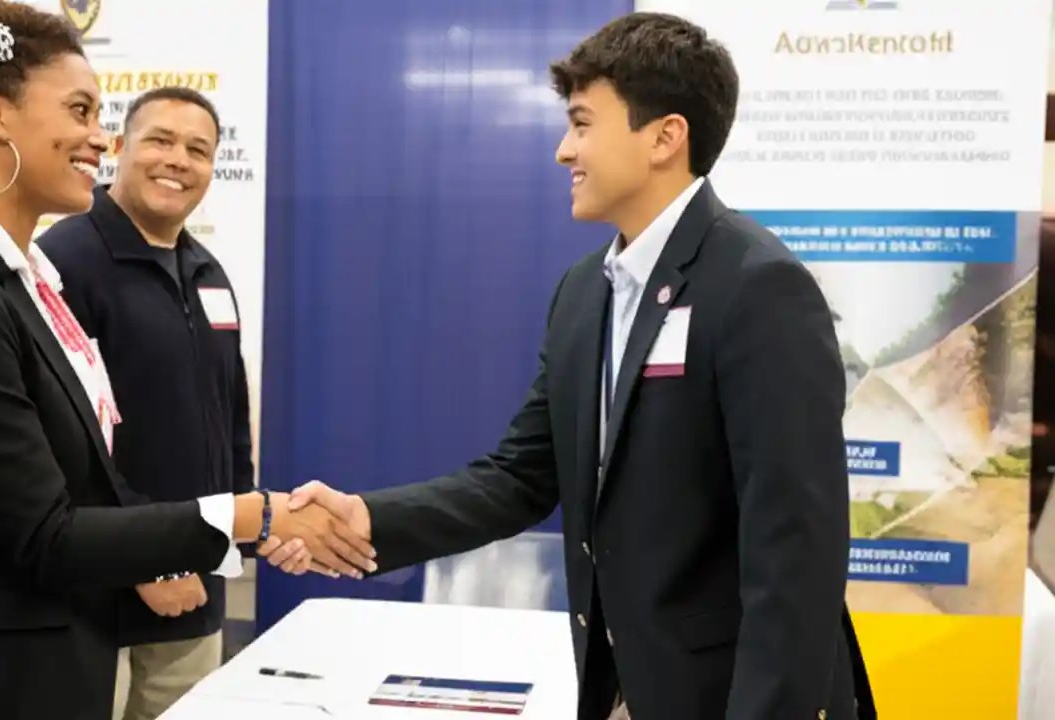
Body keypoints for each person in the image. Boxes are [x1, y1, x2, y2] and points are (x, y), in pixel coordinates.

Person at [288, 12, 875, 720]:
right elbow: (518, 477)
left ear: (666, 137)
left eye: (583, 124)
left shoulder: (758, 286)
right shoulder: (583, 292)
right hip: (624, 687)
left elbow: (796, 552)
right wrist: (366, 519)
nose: (564, 151)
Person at [0, 2, 375, 719]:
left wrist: (251, 522)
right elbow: (48, 533)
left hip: (45, 664)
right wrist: (255, 515)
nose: (98, 137)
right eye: (79, 110)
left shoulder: (21, 280)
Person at [35, 88, 254, 719]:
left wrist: (244, 528)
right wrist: (145, 563)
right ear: (119, 147)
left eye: (198, 150)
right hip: (95, 595)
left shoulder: (208, 271)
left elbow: (228, 418)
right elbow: (56, 439)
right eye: (160, 140)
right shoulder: (63, 263)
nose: (178, 160)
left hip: (194, 590)